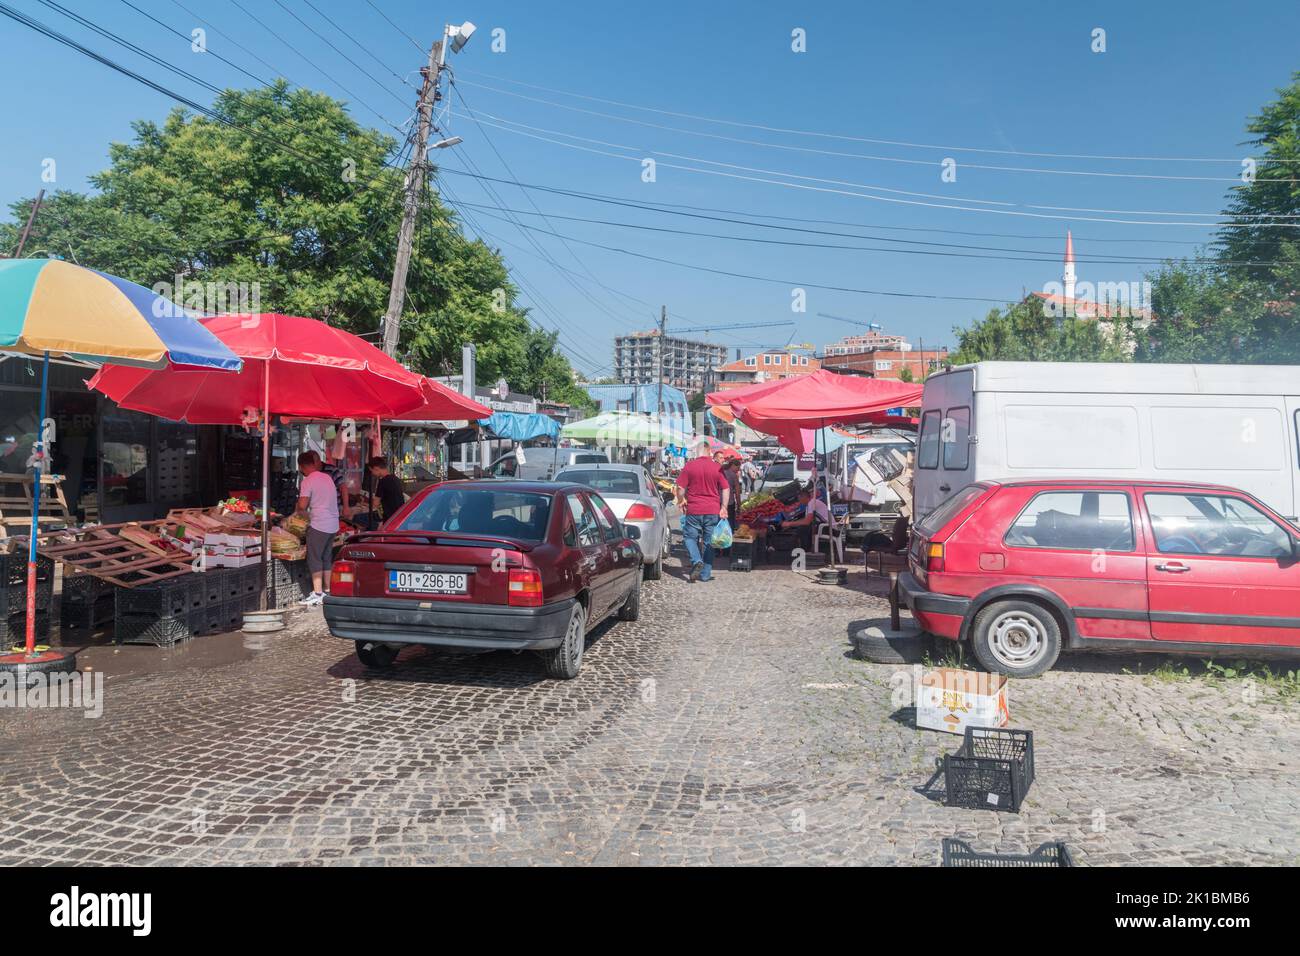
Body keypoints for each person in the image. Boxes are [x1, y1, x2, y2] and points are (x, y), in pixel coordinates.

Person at [675, 440, 729, 583]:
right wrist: (724, 506)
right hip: (712, 510)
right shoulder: (717, 467)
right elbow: (725, 488)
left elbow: (680, 489)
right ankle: (705, 575)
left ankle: (696, 560)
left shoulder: (689, 466)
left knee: (689, 538)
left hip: (694, 509)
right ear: (709, 451)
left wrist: (681, 500)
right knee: (708, 542)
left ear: (697, 451)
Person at [294, 450, 339, 606]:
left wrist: (298, 511)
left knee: (314, 558)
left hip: (319, 524)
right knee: (326, 557)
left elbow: (302, 505)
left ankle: (318, 593)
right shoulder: (326, 477)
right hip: (333, 524)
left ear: (302, 466)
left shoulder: (308, 481)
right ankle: (328, 590)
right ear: (314, 463)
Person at [353, 456, 405, 531]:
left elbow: (375, 504)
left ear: (376, 468)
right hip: (399, 516)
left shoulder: (382, 482)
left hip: (390, 518)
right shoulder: (396, 479)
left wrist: (362, 503)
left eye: (372, 471)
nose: (372, 474)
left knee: (357, 518)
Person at [783, 487, 833, 554]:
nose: (798, 500)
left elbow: (806, 522)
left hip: (829, 528)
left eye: (799, 498)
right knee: (803, 528)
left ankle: (805, 551)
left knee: (803, 529)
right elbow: (806, 520)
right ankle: (803, 550)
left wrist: (789, 524)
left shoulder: (812, 503)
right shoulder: (809, 505)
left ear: (804, 497)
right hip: (824, 526)